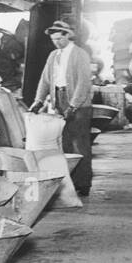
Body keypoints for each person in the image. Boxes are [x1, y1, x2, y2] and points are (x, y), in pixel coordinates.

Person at [31, 19, 94, 197]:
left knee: (79, 144)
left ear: (68, 36)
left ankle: (84, 183)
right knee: (64, 143)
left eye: (60, 39)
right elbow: (45, 79)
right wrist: (38, 100)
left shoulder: (80, 54)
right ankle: (69, 181)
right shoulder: (53, 55)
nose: (57, 42)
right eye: (54, 40)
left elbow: (83, 83)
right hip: (59, 98)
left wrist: (73, 105)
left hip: (78, 101)